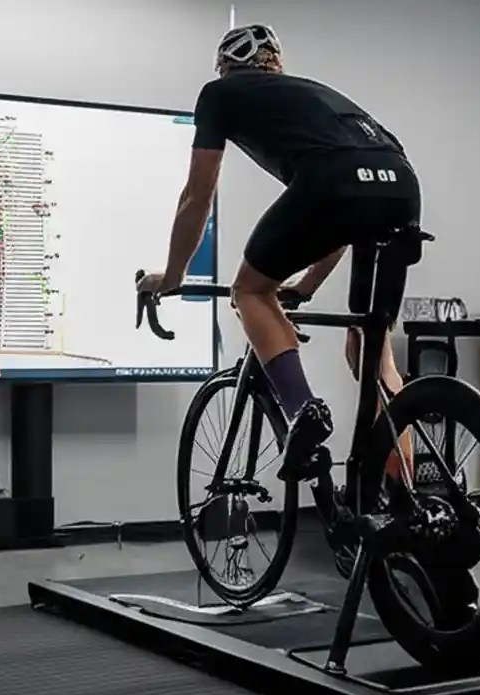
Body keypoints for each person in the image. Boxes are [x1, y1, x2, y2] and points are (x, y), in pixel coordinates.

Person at [138, 23, 421, 481]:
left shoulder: (219, 94)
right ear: (276, 64)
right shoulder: (316, 96)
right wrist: (305, 287)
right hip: (400, 186)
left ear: (224, 67)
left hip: (334, 184)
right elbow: (342, 220)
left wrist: (173, 276)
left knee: (249, 292)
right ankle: (407, 502)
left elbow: (197, 195)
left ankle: (302, 411)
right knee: (373, 349)